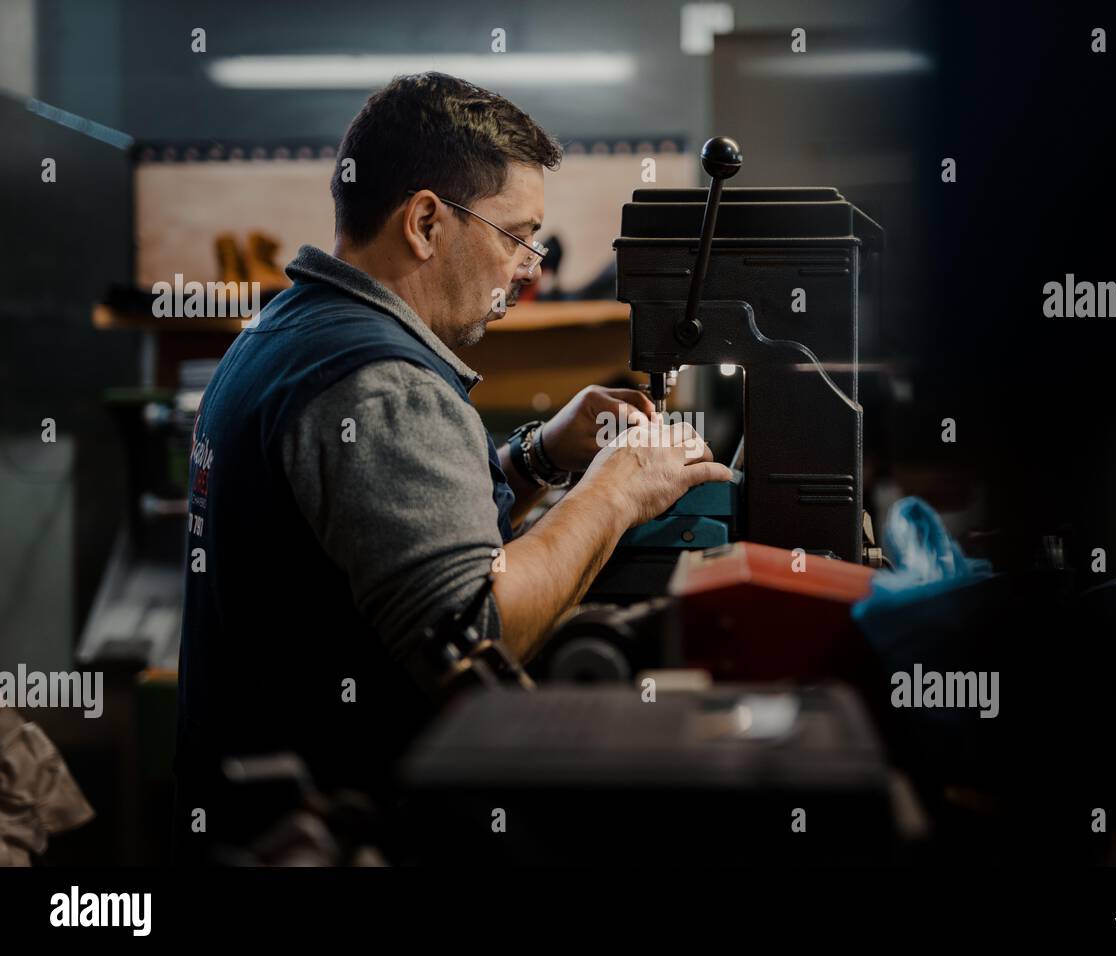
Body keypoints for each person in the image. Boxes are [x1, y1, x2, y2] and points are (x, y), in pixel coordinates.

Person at [173, 72, 730, 861]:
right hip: (342, 829)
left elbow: (375, 534)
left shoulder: (282, 332)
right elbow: (477, 629)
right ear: (427, 221)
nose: (530, 266)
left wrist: (535, 456)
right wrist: (616, 489)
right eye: (516, 234)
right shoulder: (383, 384)